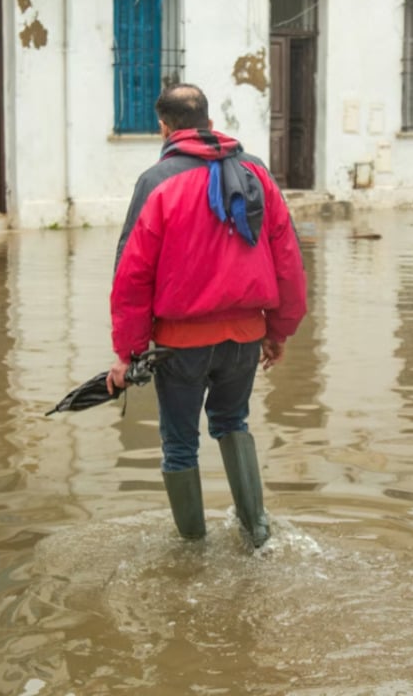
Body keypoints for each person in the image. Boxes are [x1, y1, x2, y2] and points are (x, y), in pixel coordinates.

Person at [107, 83, 307, 548]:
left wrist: (130, 353)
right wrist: (278, 331)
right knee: (233, 423)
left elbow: (131, 275)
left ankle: (192, 551)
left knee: (180, 444)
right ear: (208, 122)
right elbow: (289, 261)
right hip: (244, 335)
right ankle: (258, 534)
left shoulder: (157, 182)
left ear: (164, 127)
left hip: (178, 343)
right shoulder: (258, 172)